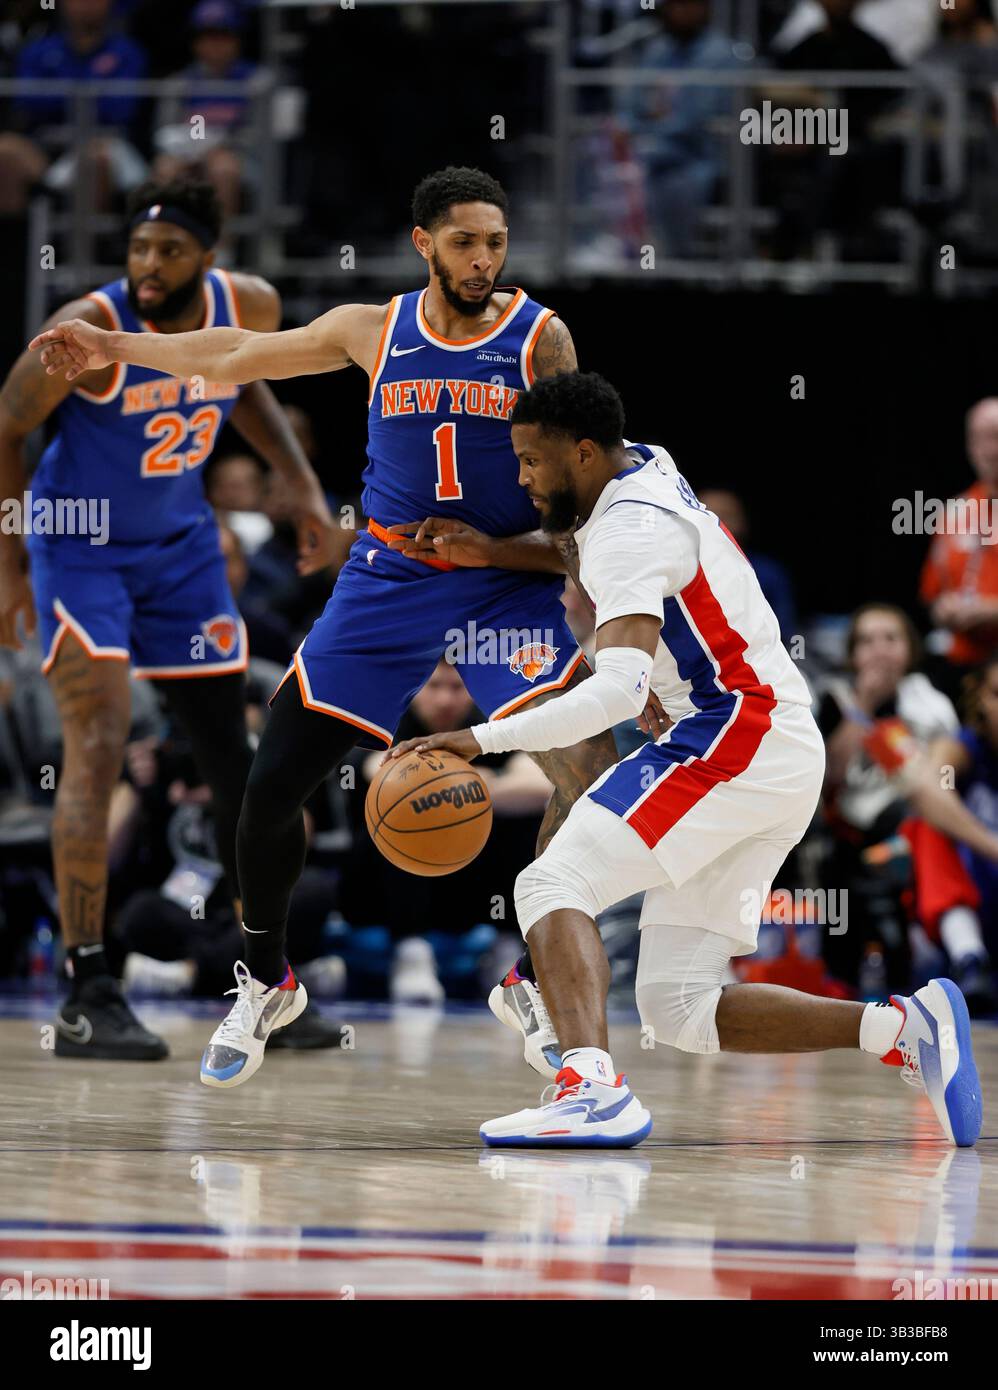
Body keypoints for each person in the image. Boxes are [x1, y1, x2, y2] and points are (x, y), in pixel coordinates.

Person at [32, 166, 666, 1090]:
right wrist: (110, 345)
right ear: (423, 243)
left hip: (501, 584)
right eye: (463, 242)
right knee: (266, 788)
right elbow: (230, 355)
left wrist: (551, 591)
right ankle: (268, 979)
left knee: (593, 774)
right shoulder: (374, 329)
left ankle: (531, 979)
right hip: (390, 577)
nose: (482, 259)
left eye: (494, 241)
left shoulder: (540, 337)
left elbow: (586, 499)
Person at [389, 372, 983, 1151]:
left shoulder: (631, 534)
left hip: (736, 734)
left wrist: (480, 739)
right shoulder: (643, 465)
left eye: (533, 462)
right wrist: (494, 550)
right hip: (770, 746)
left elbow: (614, 692)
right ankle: (904, 1028)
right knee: (677, 1005)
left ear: (585, 453)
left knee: (549, 882)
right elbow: (582, 546)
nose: (522, 478)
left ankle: (590, 1087)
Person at [1, 177, 338, 1059]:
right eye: (139, 250)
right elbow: (3, 426)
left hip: (183, 546)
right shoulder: (85, 329)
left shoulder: (248, 305)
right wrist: (8, 566)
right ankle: (86, 985)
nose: (149, 267)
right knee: (99, 741)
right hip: (81, 550)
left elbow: (249, 379)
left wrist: (296, 477)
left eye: (170, 251)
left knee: (240, 759)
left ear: (208, 257)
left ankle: (268, 983)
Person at [921, 398, 998, 702]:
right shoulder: (954, 512)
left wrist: (990, 612)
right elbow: (932, 596)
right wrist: (944, 609)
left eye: (995, 435)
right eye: (978, 438)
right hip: (961, 668)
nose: (988, 449)